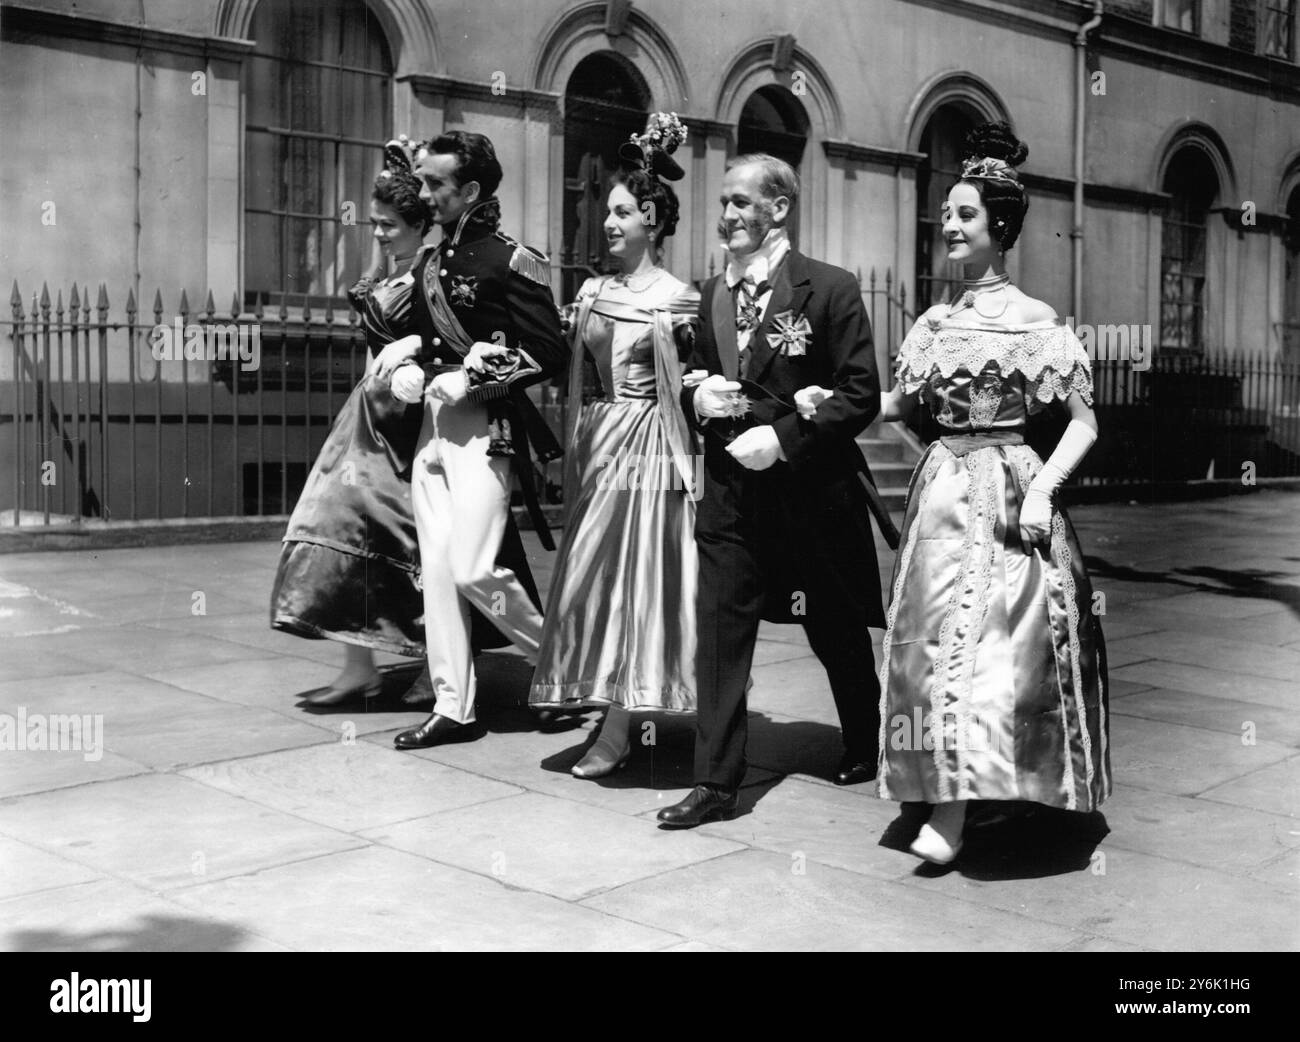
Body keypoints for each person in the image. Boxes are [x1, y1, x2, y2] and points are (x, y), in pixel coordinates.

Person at [812, 122, 1110, 864]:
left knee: (998, 652)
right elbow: (906, 408)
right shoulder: (936, 322)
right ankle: (944, 794)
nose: (949, 224)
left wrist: (1042, 492)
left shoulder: (1033, 321)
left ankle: (963, 809)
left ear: (1000, 226)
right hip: (940, 494)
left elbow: (1082, 424)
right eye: (945, 213)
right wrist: (835, 401)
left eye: (966, 214)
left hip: (1009, 496)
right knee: (929, 649)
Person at [656, 153, 888, 829]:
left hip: (810, 498)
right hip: (730, 496)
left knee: (836, 629)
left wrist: (784, 440)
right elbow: (693, 374)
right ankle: (715, 784)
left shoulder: (831, 288)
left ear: (778, 208)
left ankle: (867, 740)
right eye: (724, 203)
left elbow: (859, 393)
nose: (726, 215)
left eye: (739, 202)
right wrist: (700, 397)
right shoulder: (708, 295)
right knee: (721, 638)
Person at [374, 130, 569, 750]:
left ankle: (563, 667)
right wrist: (409, 364)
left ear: (472, 190)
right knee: (436, 572)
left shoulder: (513, 259)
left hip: (487, 430)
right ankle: (454, 706)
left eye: (435, 184)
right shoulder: (429, 262)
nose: (423, 194)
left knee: (474, 567)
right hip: (433, 430)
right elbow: (398, 327)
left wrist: (475, 377)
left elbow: (549, 353)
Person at [528, 114, 700, 778]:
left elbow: (685, 390)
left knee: (637, 582)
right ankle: (608, 704)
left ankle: (619, 725)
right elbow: (561, 365)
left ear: (653, 219)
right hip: (599, 444)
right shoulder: (593, 292)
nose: (609, 222)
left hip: (651, 451)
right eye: (607, 210)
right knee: (589, 584)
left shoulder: (678, 299)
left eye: (623, 211)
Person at [269, 144, 432, 705]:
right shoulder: (382, 278)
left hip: (413, 421)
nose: (380, 234)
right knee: (336, 520)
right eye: (374, 224)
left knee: (417, 538)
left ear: (419, 225)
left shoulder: (433, 278)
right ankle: (358, 662)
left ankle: (438, 665)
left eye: (389, 225)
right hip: (366, 417)